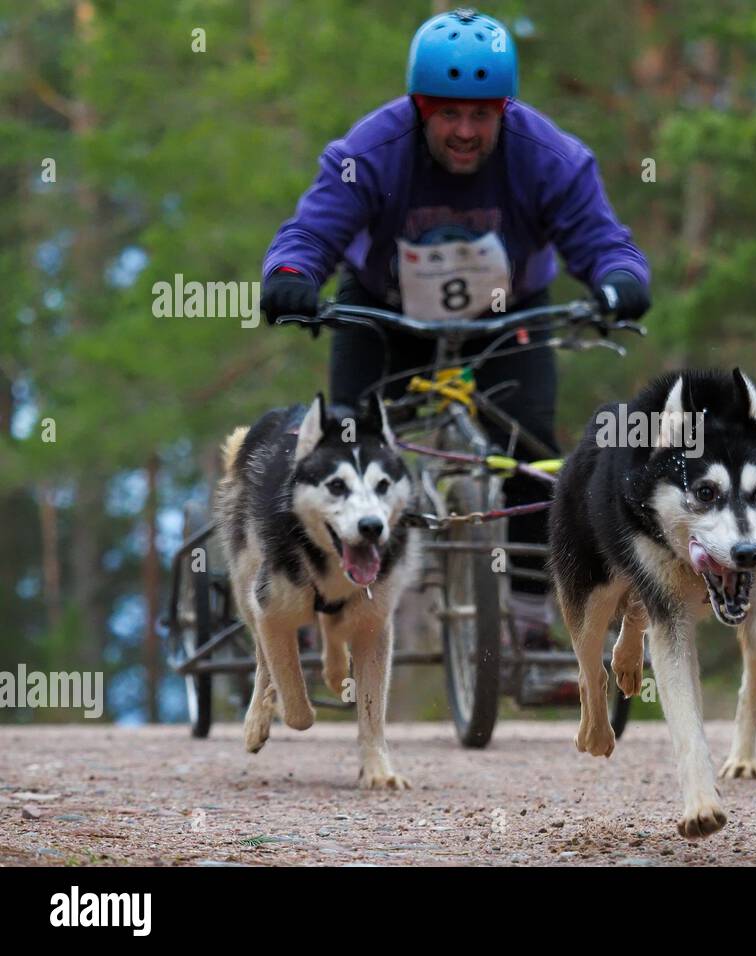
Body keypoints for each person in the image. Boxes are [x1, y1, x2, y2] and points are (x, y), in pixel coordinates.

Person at [259, 8, 651, 698]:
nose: (465, 132)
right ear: (419, 109)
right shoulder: (371, 151)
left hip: (511, 319)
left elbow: (604, 241)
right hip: (384, 315)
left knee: (530, 457)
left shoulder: (549, 156)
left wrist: (620, 284)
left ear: (505, 107)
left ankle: (530, 629)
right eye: (447, 115)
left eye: (481, 114)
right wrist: (291, 279)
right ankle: (324, 603)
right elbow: (310, 232)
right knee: (345, 442)